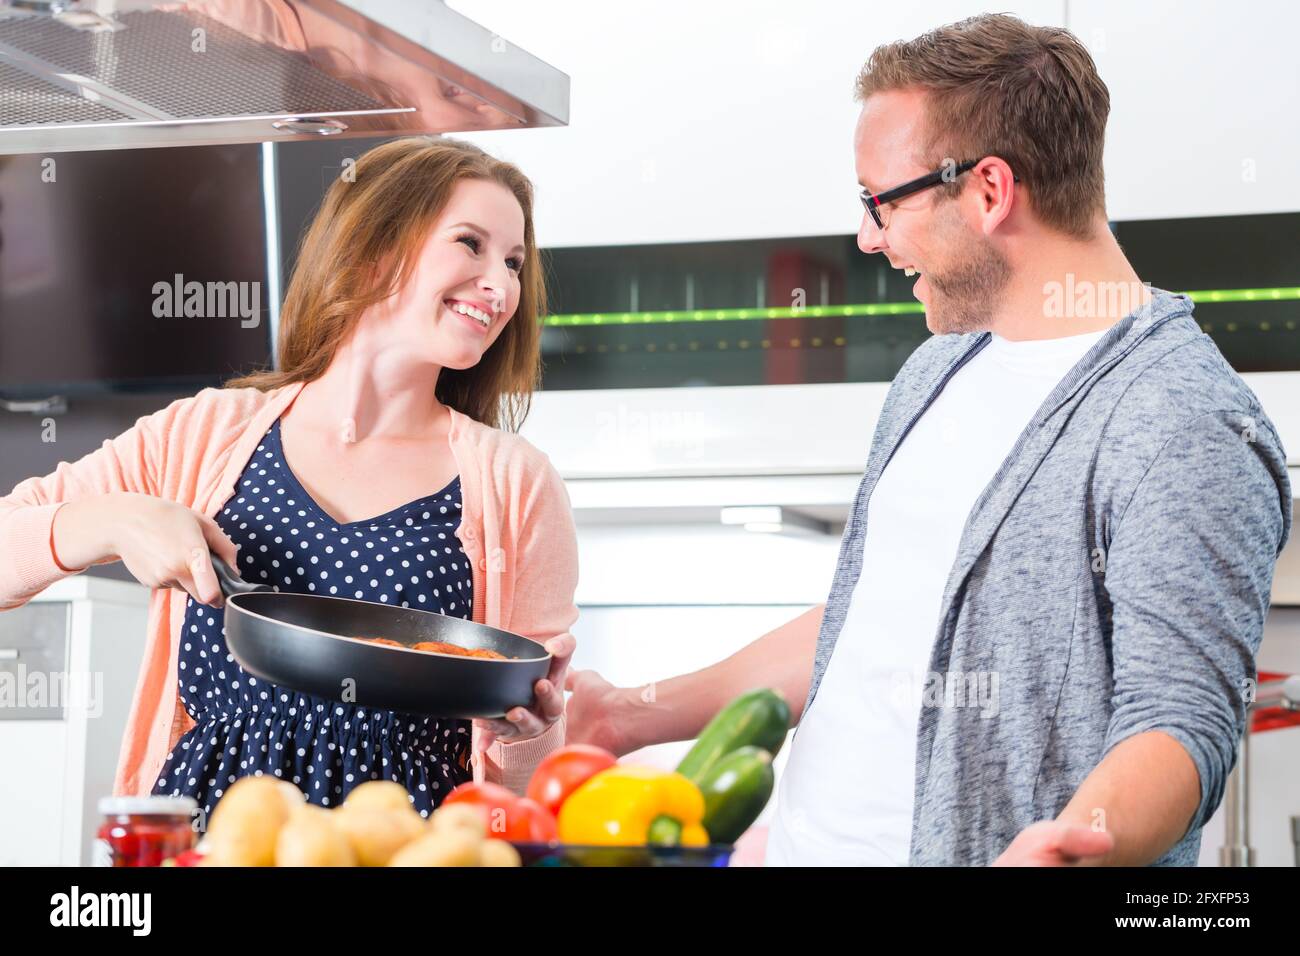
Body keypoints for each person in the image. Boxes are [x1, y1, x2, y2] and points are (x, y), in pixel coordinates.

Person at [565, 13, 1292, 865]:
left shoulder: (1182, 421)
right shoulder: (938, 369)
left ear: (989, 190)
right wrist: (628, 714)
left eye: (882, 201)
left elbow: (1182, 718)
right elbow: (867, 625)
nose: (869, 236)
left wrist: (1080, 841)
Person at [0, 137, 578, 817]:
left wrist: (524, 735)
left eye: (514, 262)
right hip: (212, 839)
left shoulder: (518, 483)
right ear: (373, 248)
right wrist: (114, 521)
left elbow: (527, 794)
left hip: (406, 848)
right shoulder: (204, 433)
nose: (503, 284)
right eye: (471, 244)